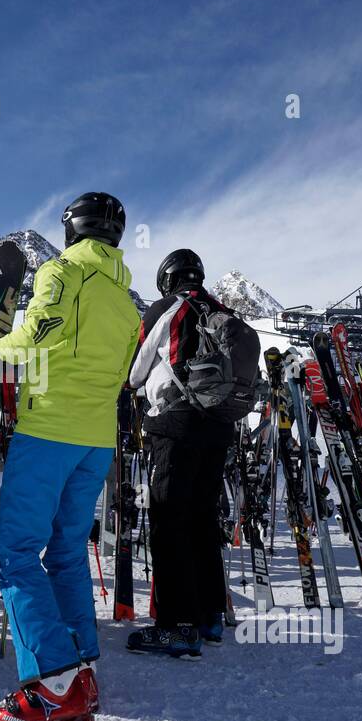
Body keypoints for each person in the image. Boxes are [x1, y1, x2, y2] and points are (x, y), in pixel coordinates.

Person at [0, 192, 140, 721]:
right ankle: (82, 673)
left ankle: (52, 684)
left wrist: (1, 346)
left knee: (19, 553)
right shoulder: (127, 300)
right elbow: (124, 372)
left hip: (48, 430)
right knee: (68, 552)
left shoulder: (61, 272)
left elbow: (41, 335)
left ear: (72, 229)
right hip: (96, 441)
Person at [125, 249, 257, 658]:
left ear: (167, 279)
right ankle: (209, 616)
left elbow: (135, 371)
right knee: (202, 518)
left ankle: (176, 626)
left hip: (174, 424)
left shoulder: (168, 308)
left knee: (169, 519)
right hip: (218, 426)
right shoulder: (222, 310)